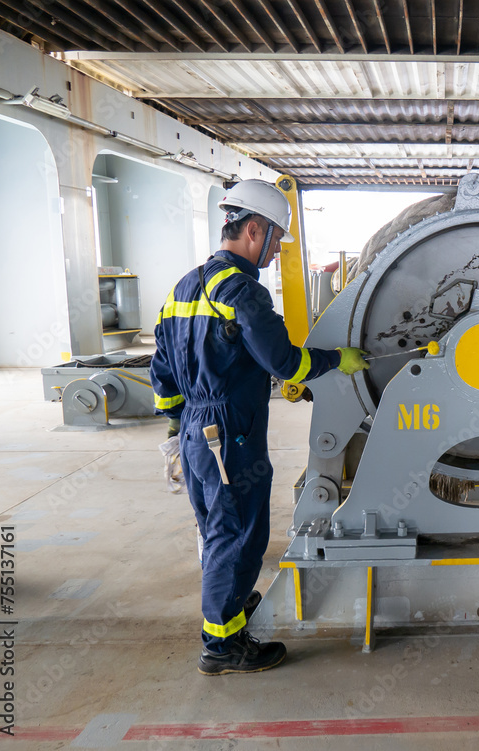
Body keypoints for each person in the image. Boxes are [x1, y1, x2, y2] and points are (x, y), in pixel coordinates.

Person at [150, 179, 368, 675]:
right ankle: (222, 646)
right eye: (274, 240)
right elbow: (285, 363)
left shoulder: (184, 287)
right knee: (239, 532)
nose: (274, 251)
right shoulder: (242, 291)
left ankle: (228, 610)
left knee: (216, 526)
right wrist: (338, 360)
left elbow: (162, 371)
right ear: (253, 228)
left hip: (195, 430)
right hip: (230, 432)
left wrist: (174, 427)